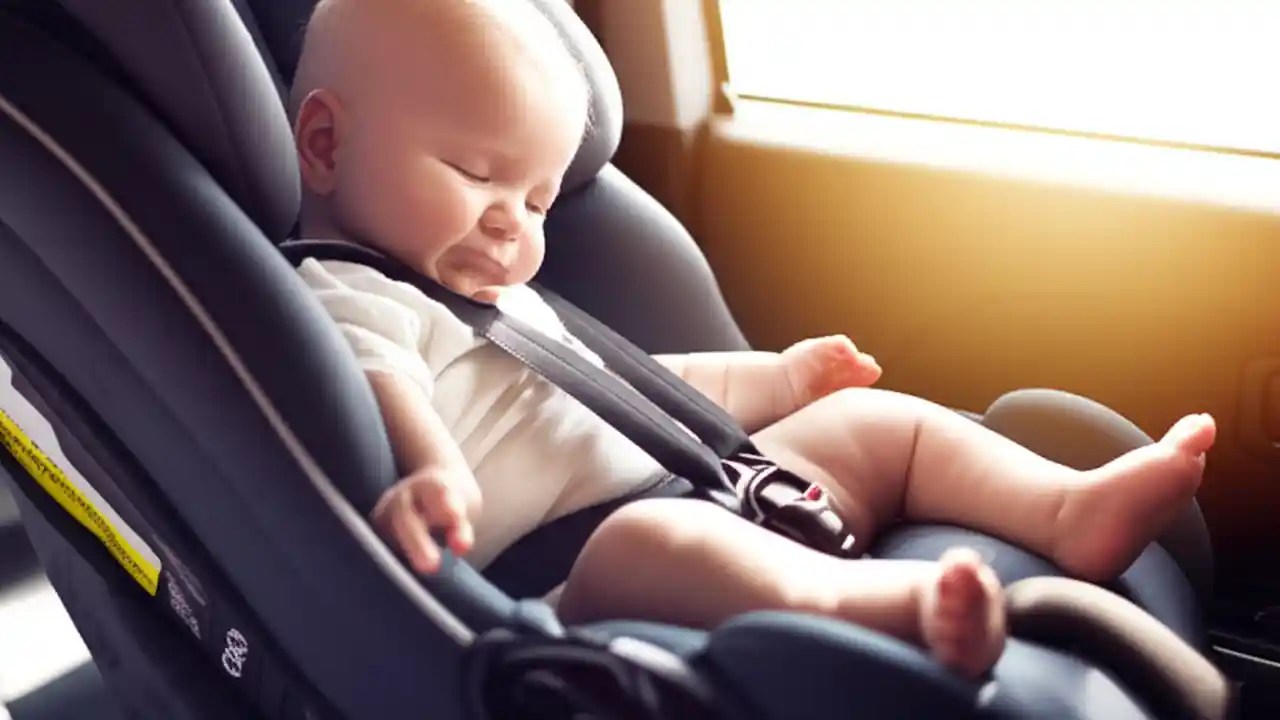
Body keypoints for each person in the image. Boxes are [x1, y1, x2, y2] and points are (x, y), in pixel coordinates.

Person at [289, 0, 1215, 677]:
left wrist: (781, 379)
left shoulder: (498, 292)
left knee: (873, 423)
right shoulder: (347, 287)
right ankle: (891, 610)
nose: (512, 226)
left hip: (703, 483)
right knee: (649, 544)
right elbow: (379, 381)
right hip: (569, 572)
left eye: (534, 201)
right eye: (474, 173)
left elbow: (648, 389)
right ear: (326, 145)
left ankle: (1065, 509)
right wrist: (430, 471)